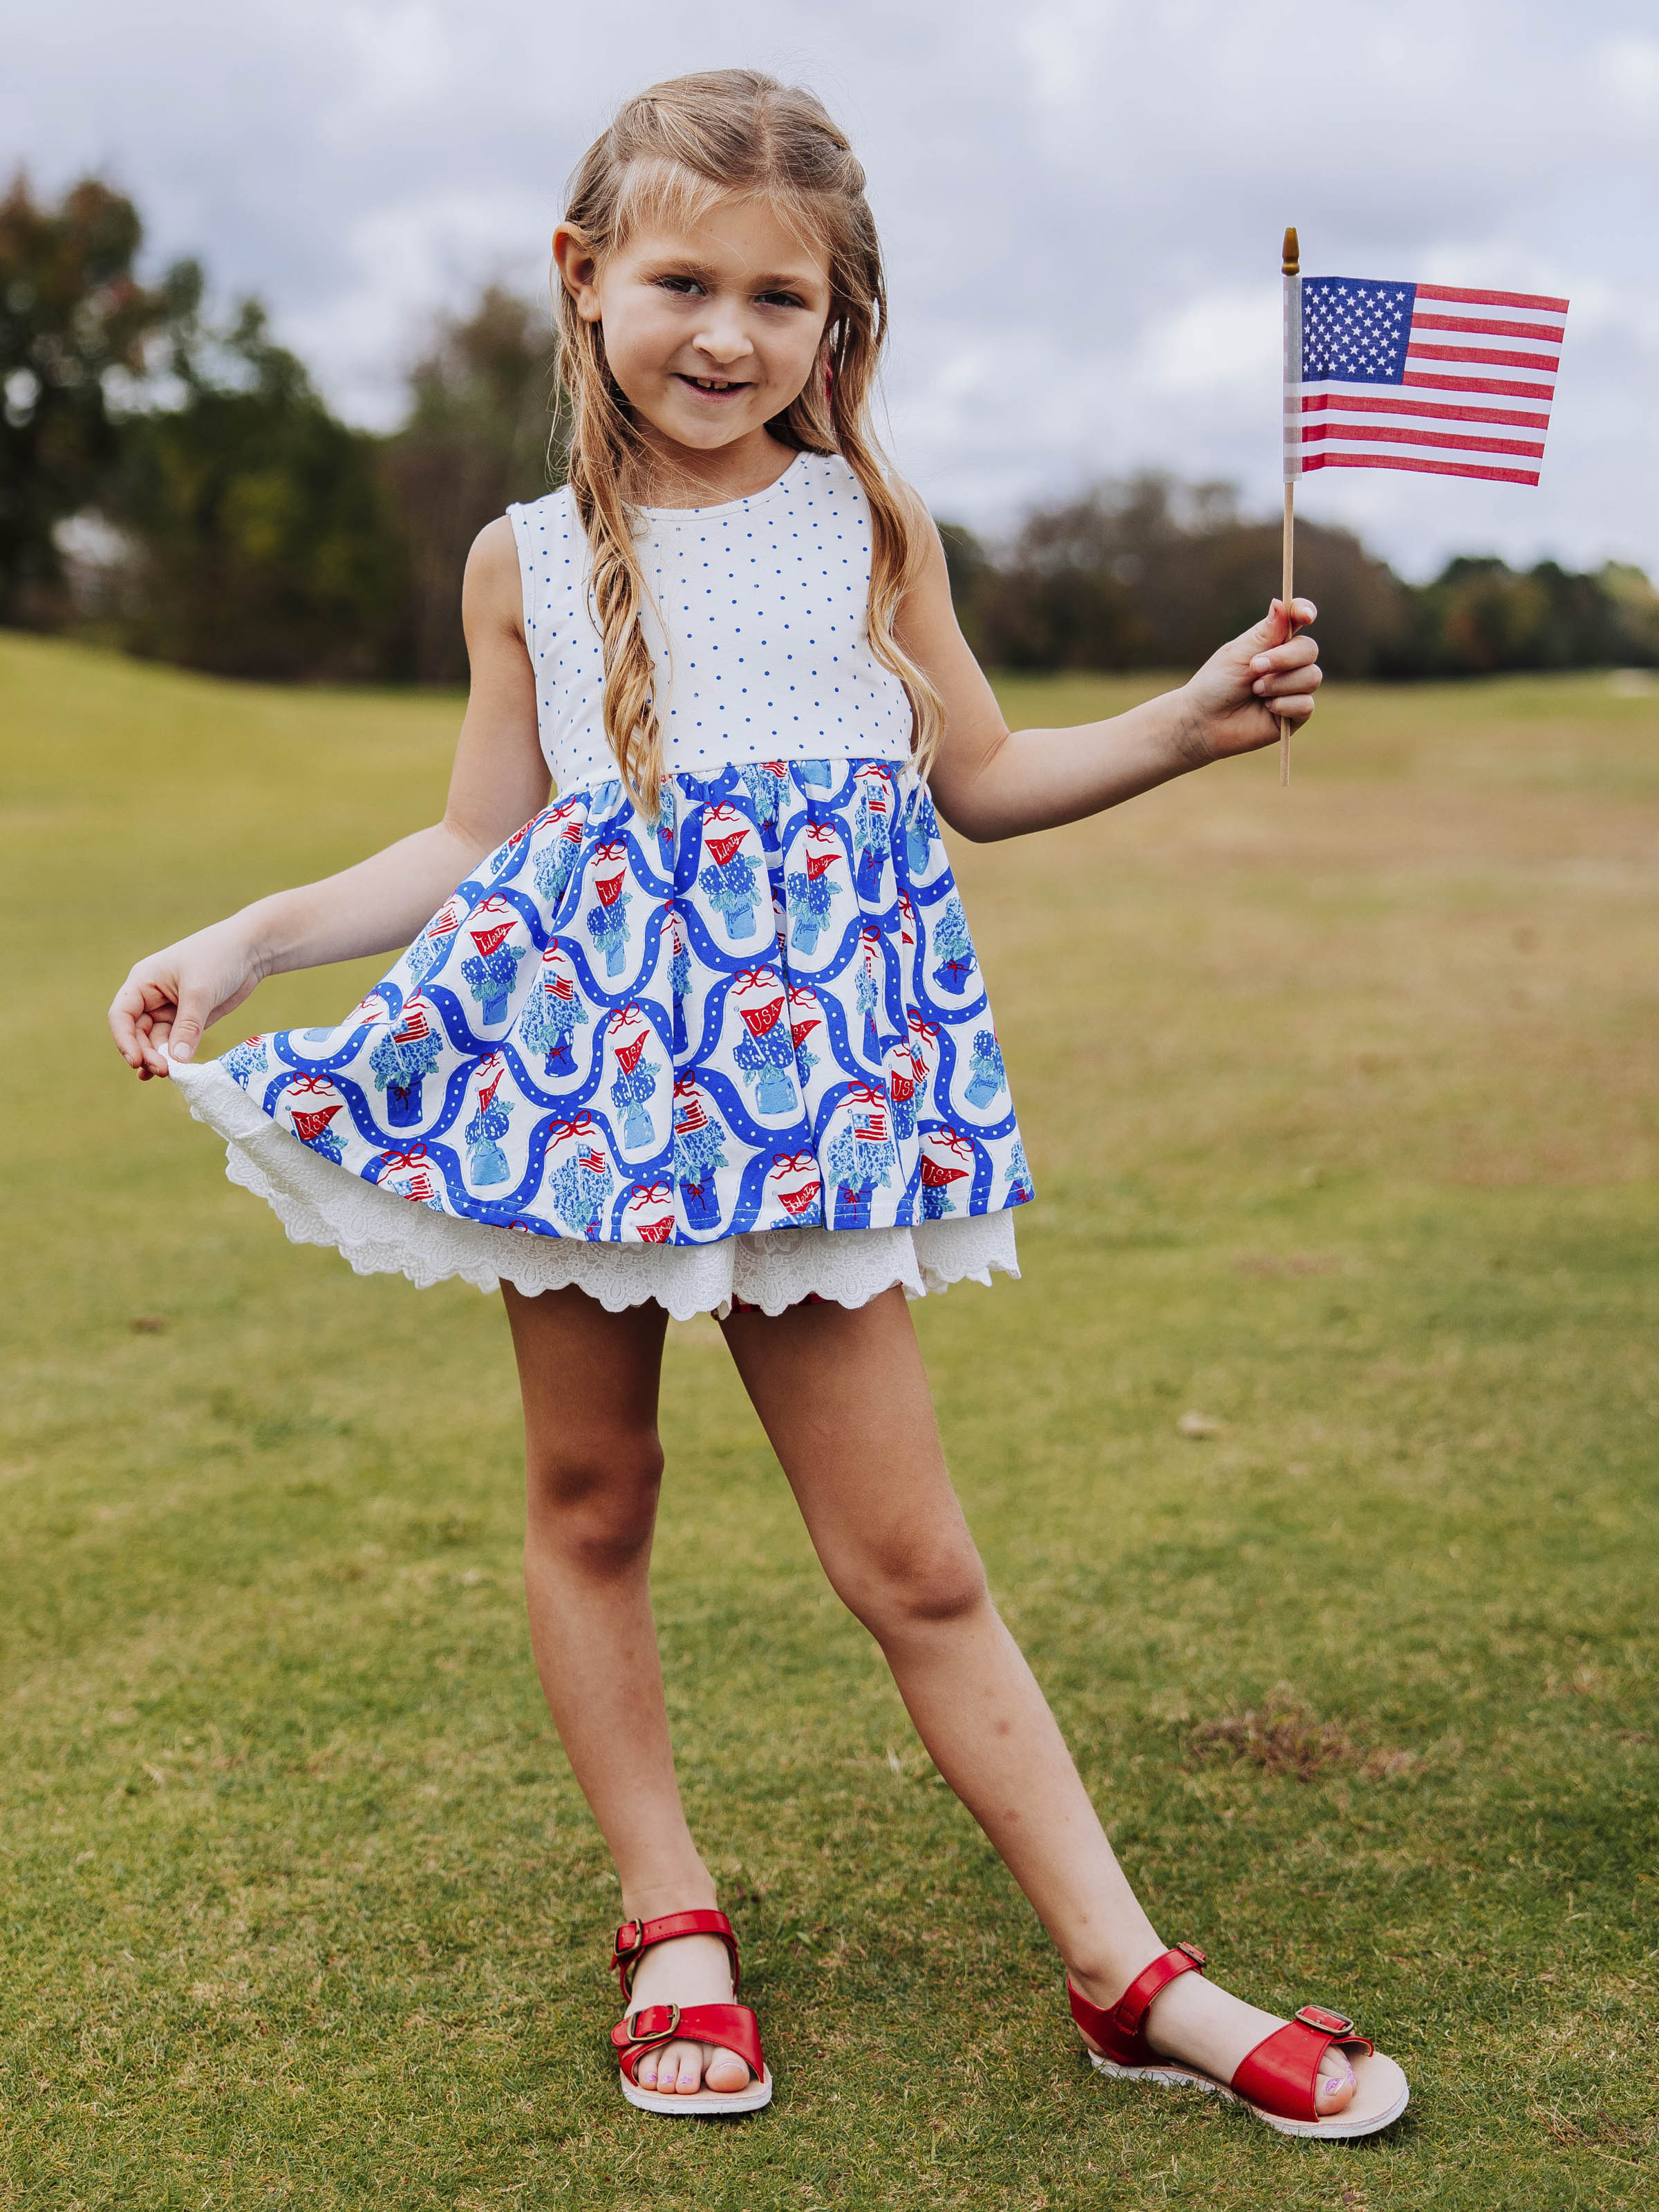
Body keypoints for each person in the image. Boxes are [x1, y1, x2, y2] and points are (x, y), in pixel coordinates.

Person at [108, 69, 1407, 2138]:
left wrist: (1180, 726)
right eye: (685, 280)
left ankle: (1120, 1965)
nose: (728, 333)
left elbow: (975, 779)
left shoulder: (873, 530)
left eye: (781, 299)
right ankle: (669, 1916)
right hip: (589, 1096)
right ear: (585, 274)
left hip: (809, 1108)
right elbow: (472, 839)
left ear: (840, 322)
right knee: (594, 1503)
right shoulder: (522, 559)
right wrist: (256, 939)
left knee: (914, 1560)